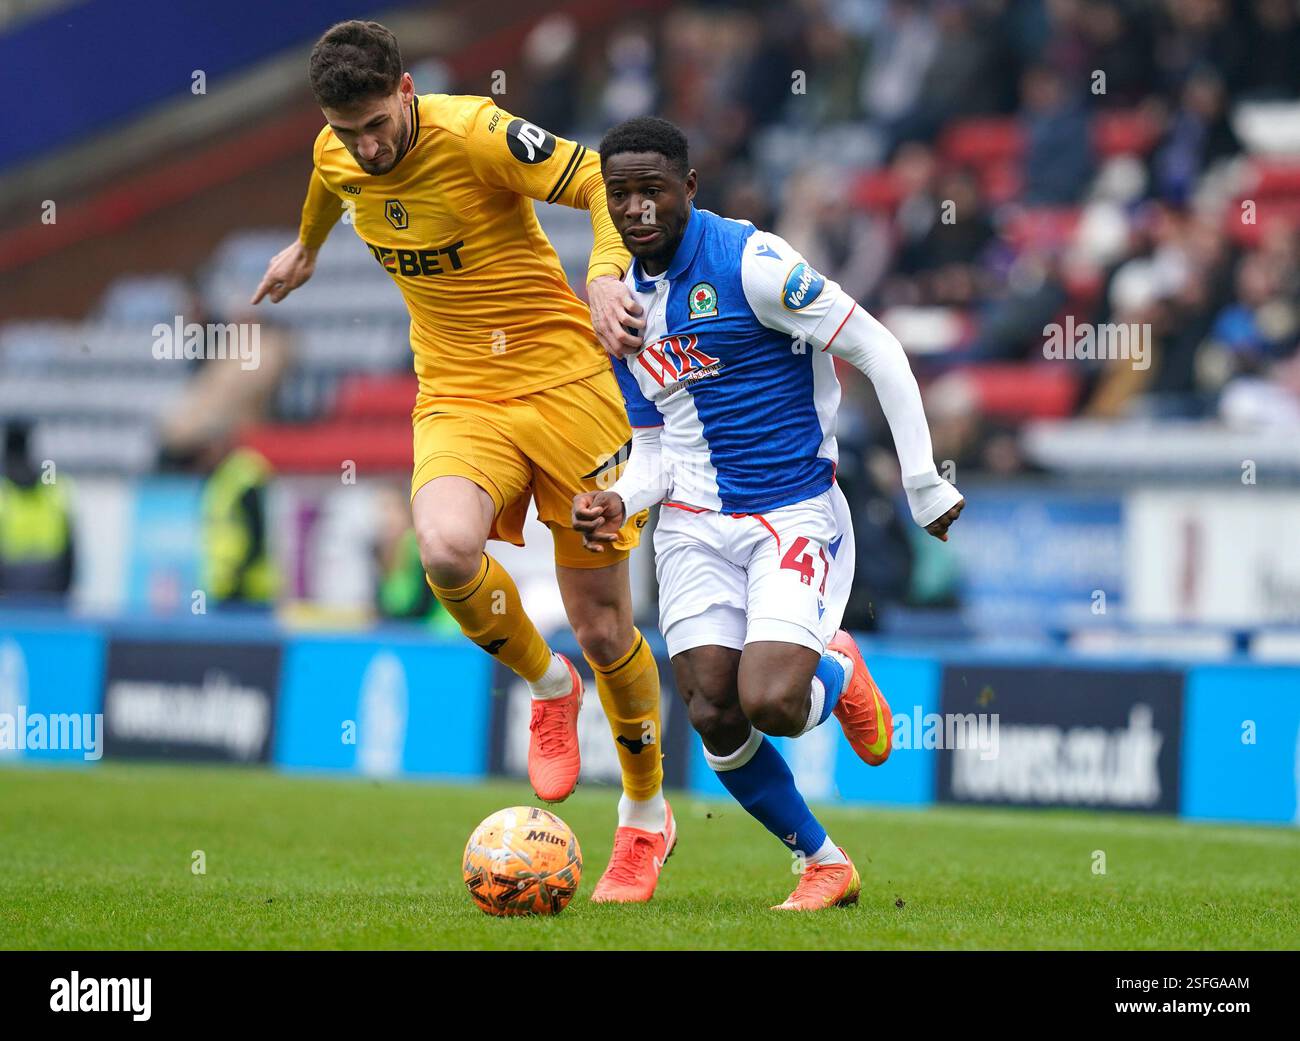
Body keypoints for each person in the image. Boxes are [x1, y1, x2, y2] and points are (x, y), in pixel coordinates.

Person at [251, 21, 672, 901]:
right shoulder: (336, 151)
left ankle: (643, 816)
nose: (365, 147)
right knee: (443, 548)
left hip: (565, 386)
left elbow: (599, 174)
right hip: (458, 395)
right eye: (345, 129)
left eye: (375, 124)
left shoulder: (474, 131)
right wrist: (307, 248)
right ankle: (547, 683)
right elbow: (329, 187)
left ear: (405, 92)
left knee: (603, 625)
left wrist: (603, 271)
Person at [573, 117, 964, 910]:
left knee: (774, 700)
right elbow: (655, 449)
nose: (637, 208)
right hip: (689, 523)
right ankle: (823, 860)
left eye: (653, 189)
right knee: (713, 707)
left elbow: (878, 347)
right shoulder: (621, 311)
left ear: (689, 188)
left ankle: (841, 669)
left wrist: (924, 484)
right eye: (621, 195)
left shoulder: (753, 264)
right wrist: (620, 496)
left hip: (790, 510)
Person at [0, 422, 74, 599]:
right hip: (49, 586)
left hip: (22, 588)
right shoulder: (55, 488)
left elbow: (71, 548)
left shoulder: (54, 489)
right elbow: (72, 551)